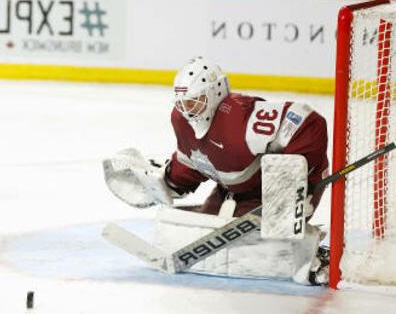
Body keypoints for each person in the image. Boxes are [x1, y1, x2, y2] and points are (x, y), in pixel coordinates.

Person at [104, 57, 330, 285]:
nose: (188, 111)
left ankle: (317, 255)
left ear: (215, 93)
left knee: (258, 242)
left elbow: (307, 120)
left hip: (282, 187)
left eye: (194, 102)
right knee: (206, 228)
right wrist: (166, 183)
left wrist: (288, 178)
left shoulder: (240, 117)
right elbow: (192, 160)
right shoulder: (180, 119)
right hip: (236, 188)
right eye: (182, 103)